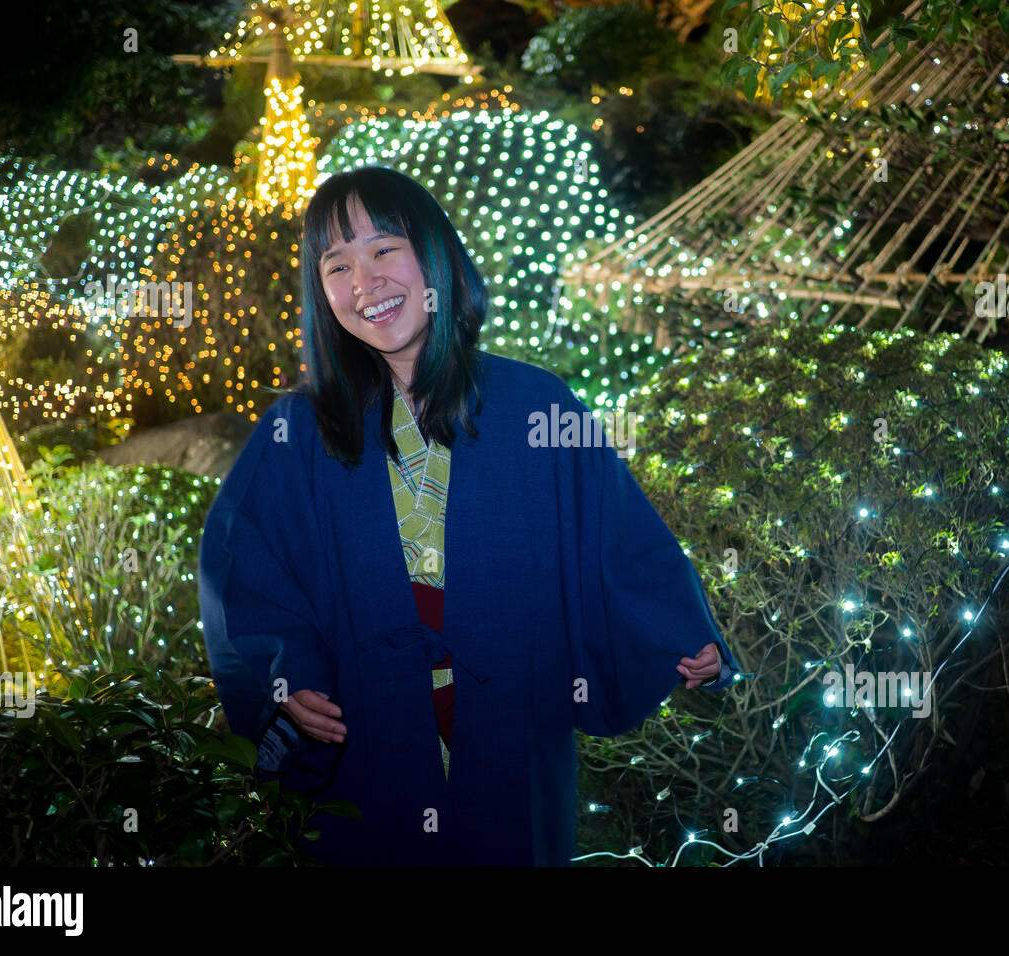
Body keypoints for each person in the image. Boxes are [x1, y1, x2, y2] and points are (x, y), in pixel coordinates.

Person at [198, 165, 740, 866]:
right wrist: (286, 675)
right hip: (366, 742)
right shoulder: (297, 432)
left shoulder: (536, 405)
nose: (364, 281)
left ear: (436, 257)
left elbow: (618, 541)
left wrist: (681, 634)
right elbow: (246, 572)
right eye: (336, 264)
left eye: (384, 248)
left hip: (511, 727)